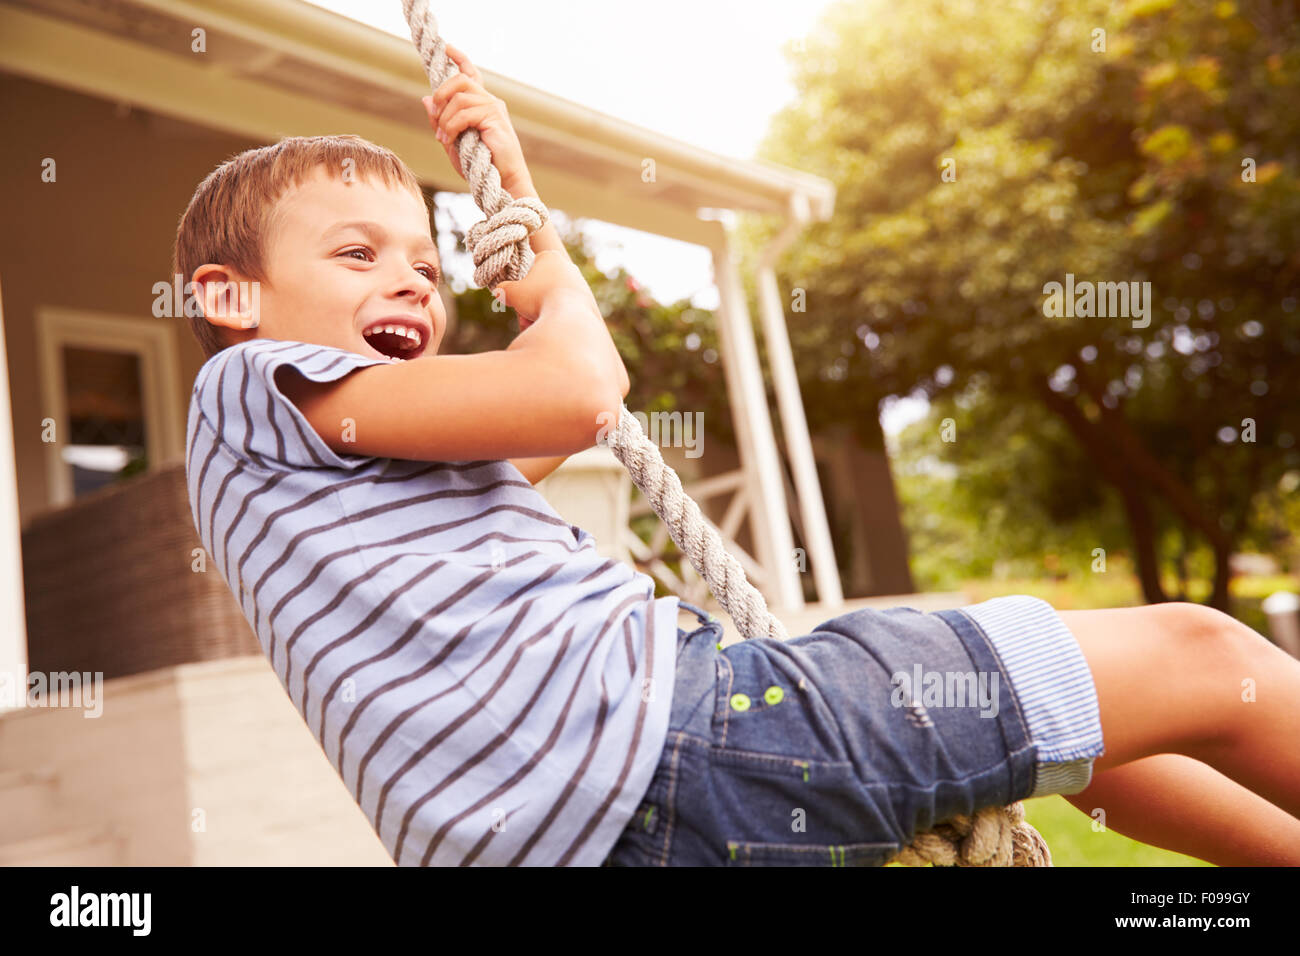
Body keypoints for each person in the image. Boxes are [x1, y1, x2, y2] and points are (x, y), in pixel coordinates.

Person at [177, 46, 1300, 866]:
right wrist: (540, 247)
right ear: (229, 298)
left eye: (426, 261)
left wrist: (515, 208)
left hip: (602, 830)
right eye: (358, 252)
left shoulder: (344, 484)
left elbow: (550, 425)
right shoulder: (248, 387)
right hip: (675, 749)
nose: (415, 279)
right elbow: (580, 386)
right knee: (1202, 652)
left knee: (1066, 728)